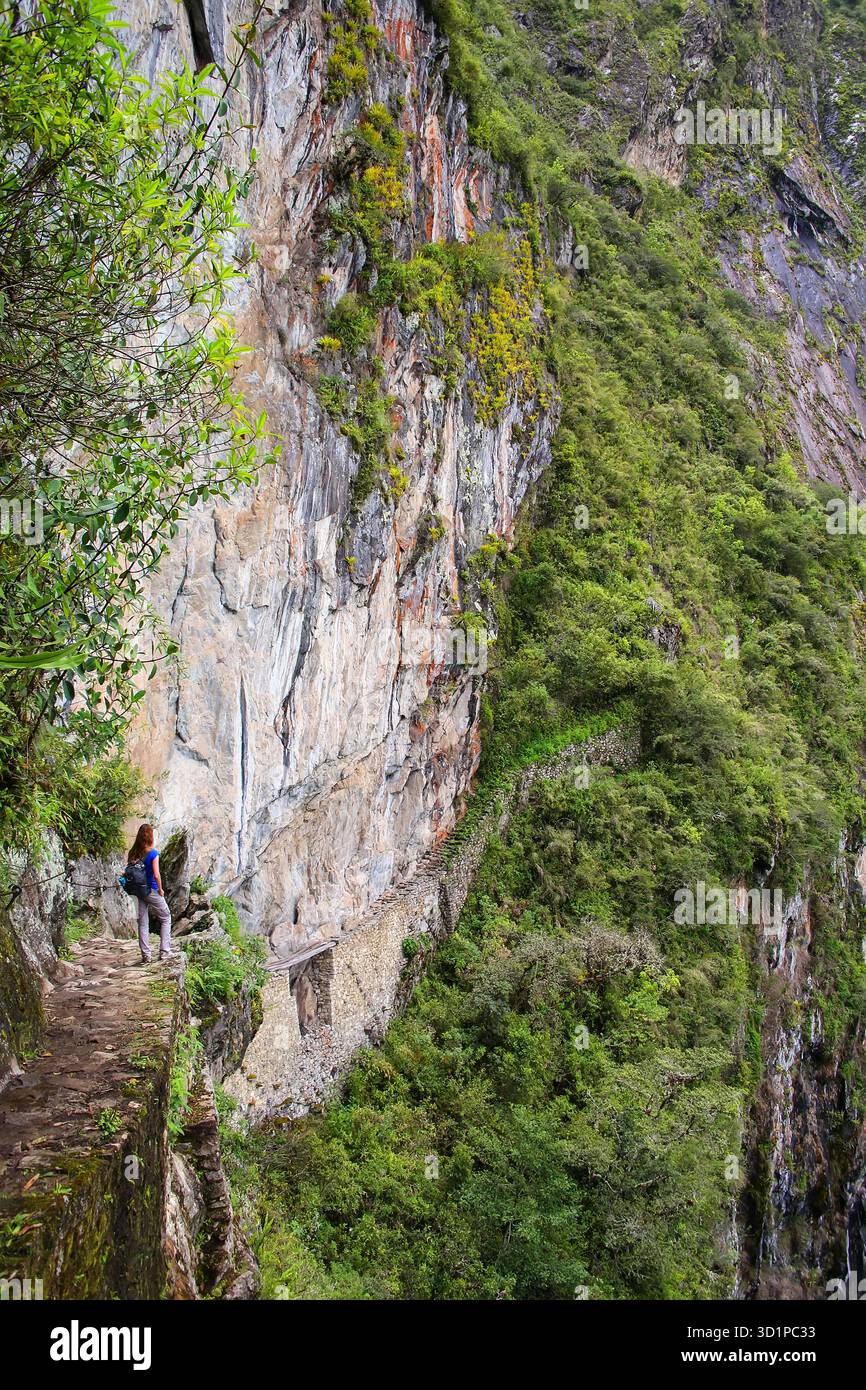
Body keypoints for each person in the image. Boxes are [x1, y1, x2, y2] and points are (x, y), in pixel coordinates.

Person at [128, 823, 173, 963]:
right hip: (151, 889)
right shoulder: (153, 853)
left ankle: (146, 955)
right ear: (151, 836)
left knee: (143, 923)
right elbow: (157, 874)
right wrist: (160, 889)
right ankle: (165, 951)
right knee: (166, 917)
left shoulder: (133, 853)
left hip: (139, 891)